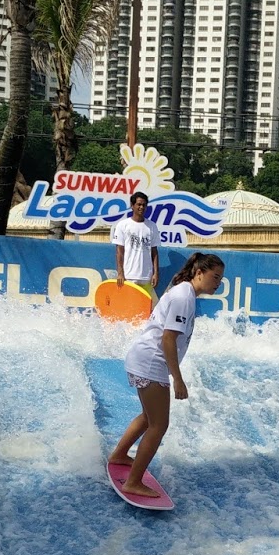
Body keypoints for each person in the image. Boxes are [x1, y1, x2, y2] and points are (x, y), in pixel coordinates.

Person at [109, 253, 226, 498]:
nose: (218, 283)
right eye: (215, 277)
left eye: (221, 279)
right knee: (159, 425)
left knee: (148, 417)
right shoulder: (184, 296)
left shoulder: (184, 292)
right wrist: (178, 378)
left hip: (144, 359)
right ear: (199, 273)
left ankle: (120, 455)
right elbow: (168, 339)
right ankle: (133, 481)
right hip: (152, 363)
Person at [110, 192, 159, 292]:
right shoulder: (123, 225)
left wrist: (156, 273)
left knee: (146, 307)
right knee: (127, 307)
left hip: (146, 278)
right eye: (139, 204)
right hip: (129, 277)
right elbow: (119, 252)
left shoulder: (152, 226)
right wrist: (120, 273)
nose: (141, 207)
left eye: (144, 205)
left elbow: (154, 252)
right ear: (132, 206)